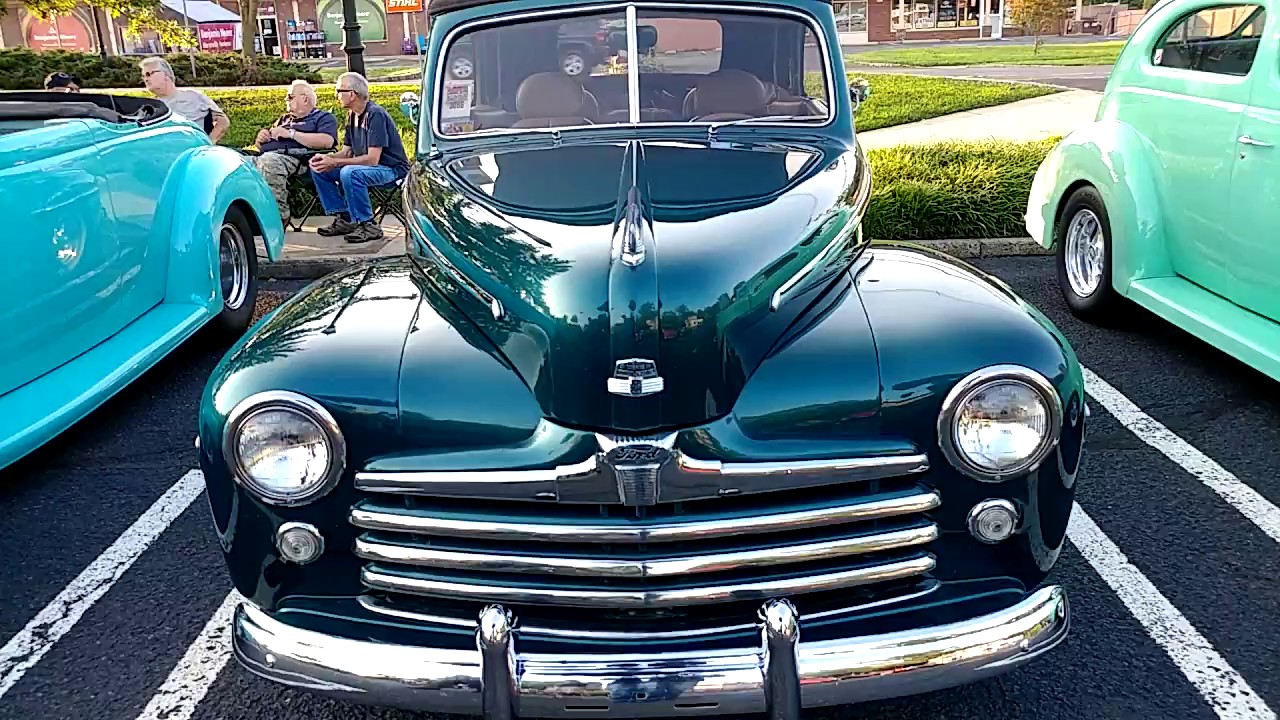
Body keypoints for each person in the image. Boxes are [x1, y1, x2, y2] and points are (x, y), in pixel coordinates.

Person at [307, 72, 411, 243]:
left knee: (350, 173)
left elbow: (372, 159)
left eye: (339, 91)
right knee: (319, 169)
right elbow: (347, 152)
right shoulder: (351, 115)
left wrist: (335, 162)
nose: (336, 95)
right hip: (367, 168)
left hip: (392, 170)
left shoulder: (375, 114)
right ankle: (346, 218)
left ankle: (368, 225)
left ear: (352, 94)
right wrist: (327, 158)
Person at [249, 80, 340, 226]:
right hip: (268, 156)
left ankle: (279, 216)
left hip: (299, 159)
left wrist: (290, 134)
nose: (287, 100)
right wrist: (261, 139)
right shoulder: (284, 119)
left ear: (305, 98)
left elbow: (327, 141)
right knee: (237, 163)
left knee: (269, 162)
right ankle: (250, 214)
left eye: (290, 97)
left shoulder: (322, 118)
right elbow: (263, 145)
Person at [139, 56, 230, 142]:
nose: (145, 79)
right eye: (143, 76)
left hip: (195, 151)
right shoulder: (149, 108)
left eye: (148, 74)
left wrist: (208, 143)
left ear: (166, 74)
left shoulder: (193, 96)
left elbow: (223, 122)